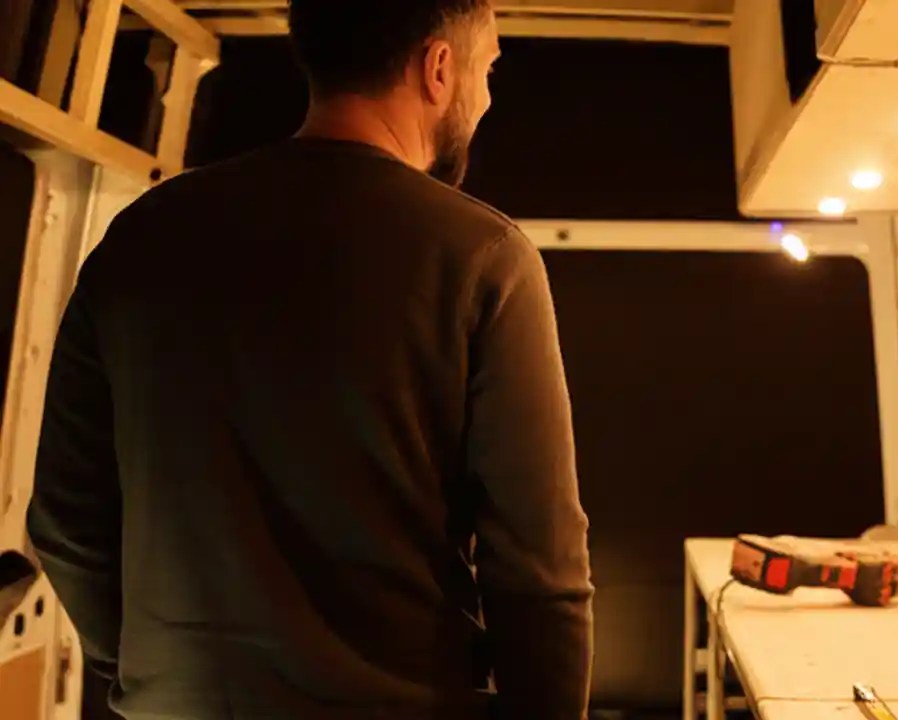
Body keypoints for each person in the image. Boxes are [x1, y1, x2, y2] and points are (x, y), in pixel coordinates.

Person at [26, 1, 594, 718]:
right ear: (439, 69)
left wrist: (152, 674)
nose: (486, 98)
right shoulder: (484, 258)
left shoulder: (139, 237)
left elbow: (66, 524)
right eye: (488, 70)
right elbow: (540, 576)